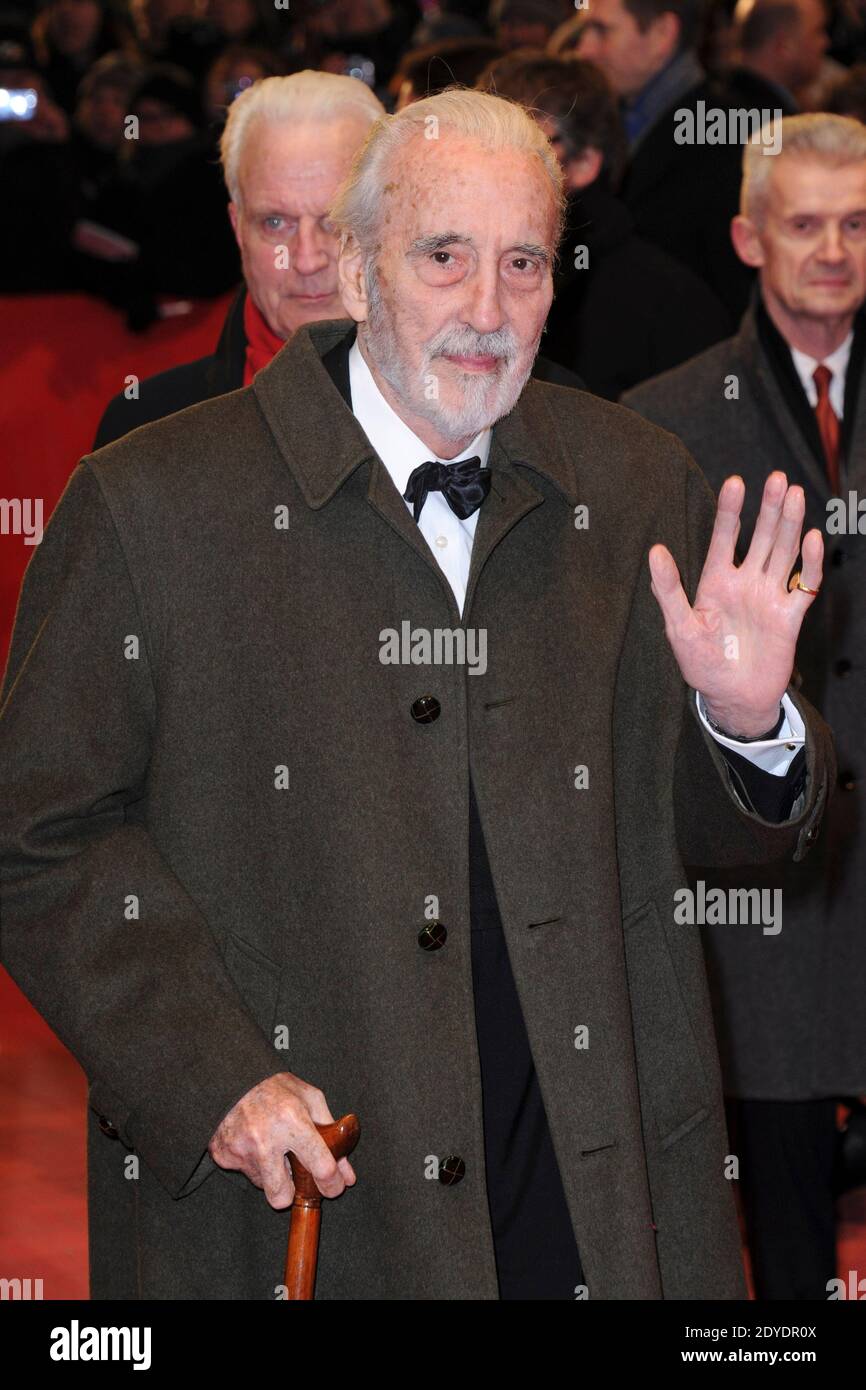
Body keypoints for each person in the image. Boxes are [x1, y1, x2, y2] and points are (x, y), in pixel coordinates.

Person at [0, 89, 834, 1301]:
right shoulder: (150, 506)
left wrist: (745, 723)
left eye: (522, 264)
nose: (487, 312)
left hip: (593, 1195)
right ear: (353, 265)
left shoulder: (636, 483)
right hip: (308, 1202)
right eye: (442, 257)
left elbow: (707, 841)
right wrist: (211, 1074)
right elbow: (36, 837)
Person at [623, 112, 866, 1299]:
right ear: (745, 236)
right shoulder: (664, 419)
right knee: (780, 1238)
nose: (831, 247)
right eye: (803, 222)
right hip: (762, 896)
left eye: (857, 222)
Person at [94, 69, 581, 449]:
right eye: (275, 223)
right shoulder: (147, 427)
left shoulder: (552, 415)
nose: (307, 260)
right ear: (236, 228)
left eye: (333, 222)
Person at [478, 50, 732, 397]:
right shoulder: (471, 276)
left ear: (584, 163)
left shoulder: (669, 305)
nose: (486, 164)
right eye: (481, 143)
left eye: (524, 143)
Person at [574, 0, 761, 315]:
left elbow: (732, 293)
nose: (584, 50)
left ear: (662, 34)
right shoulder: (607, 119)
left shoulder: (729, 139)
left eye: (601, 30)